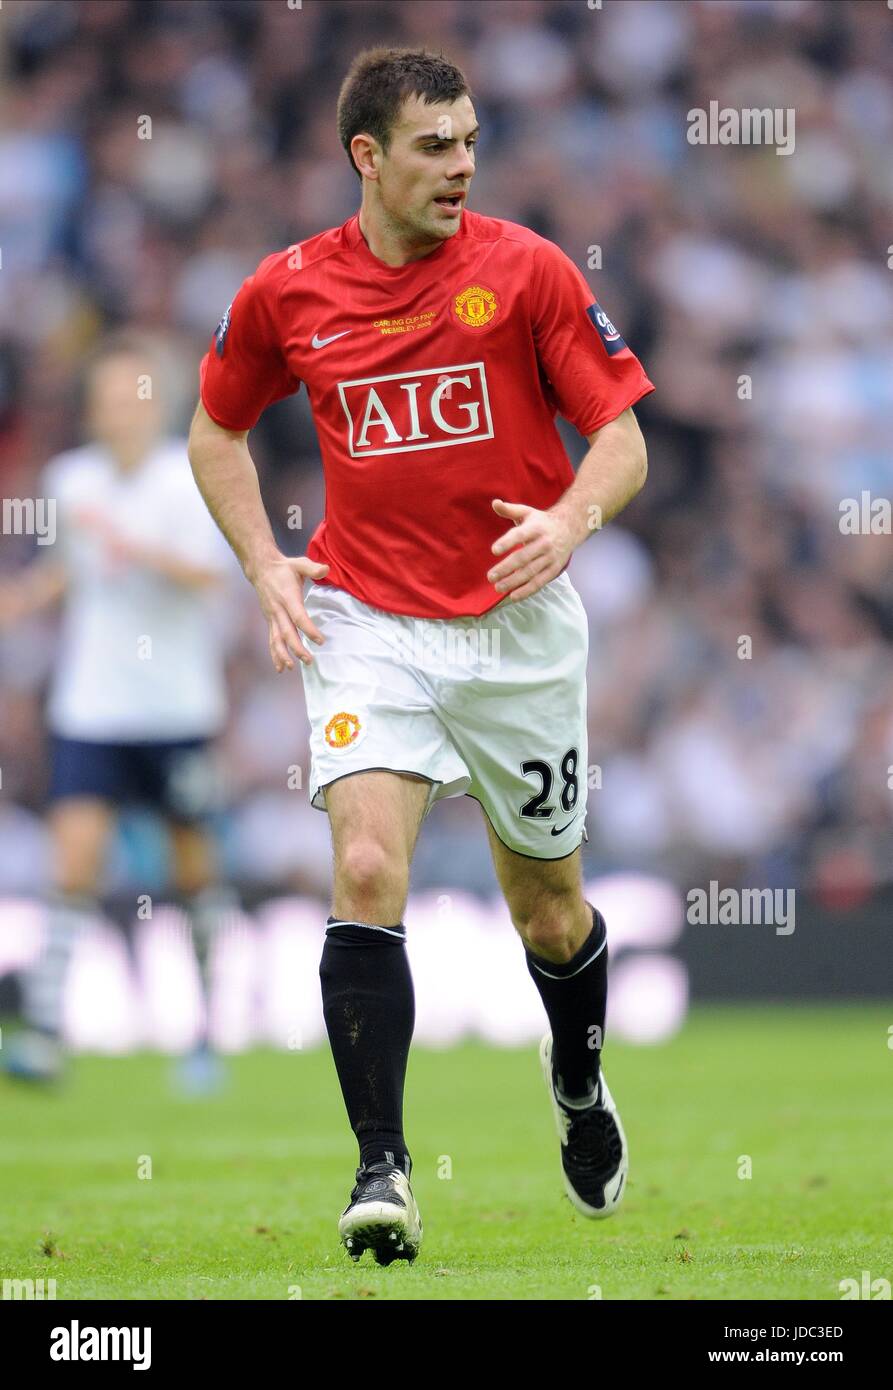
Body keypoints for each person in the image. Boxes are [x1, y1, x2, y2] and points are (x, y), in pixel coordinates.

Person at [188, 47, 653, 1265]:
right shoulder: (286, 291)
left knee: (548, 913)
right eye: (434, 144)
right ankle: (380, 1166)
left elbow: (620, 437)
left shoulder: (526, 269)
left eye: (468, 140)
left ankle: (575, 1085)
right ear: (367, 157)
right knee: (362, 863)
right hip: (366, 621)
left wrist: (568, 519)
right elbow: (216, 429)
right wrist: (262, 562)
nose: (460, 164)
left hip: (515, 629)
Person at [0, 336, 235, 1089]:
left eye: (124, 397)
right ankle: (42, 1033)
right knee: (72, 861)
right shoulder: (73, 480)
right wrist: (22, 598)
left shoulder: (186, 478)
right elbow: (64, 567)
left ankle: (204, 1032)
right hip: (92, 703)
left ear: (153, 404)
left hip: (175, 707)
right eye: (101, 398)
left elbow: (208, 574)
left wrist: (132, 546)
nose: (111, 412)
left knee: (193, 869)